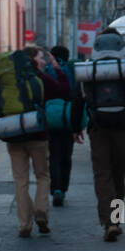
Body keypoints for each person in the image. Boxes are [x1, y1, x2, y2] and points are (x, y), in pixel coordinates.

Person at [77, 28, 125, 243]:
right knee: (119, 175)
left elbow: (78, 100)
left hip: (97, 128)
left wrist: (75, 128)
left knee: (102, 175)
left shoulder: (88, 69)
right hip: (122, 127)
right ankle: (117, 220)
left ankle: (108, 222)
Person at [1, 46, 70, 238]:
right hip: (37, 135)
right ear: (33, 59)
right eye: (41, 58)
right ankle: (41, 211)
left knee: (20, 180)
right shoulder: (39, 78)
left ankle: (24, 224)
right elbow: (63, 91)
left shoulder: (11, 80)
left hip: (14, 134)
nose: (44, 61)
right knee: (42, 176)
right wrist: (57, 68)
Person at [48, 45, 79, 207]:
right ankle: (64, 188)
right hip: (68, 118)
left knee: (53, 156)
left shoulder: (47, 70)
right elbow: (77, 96)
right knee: (66, 156)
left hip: (51, 119)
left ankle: (55, 189)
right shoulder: (72, 71)